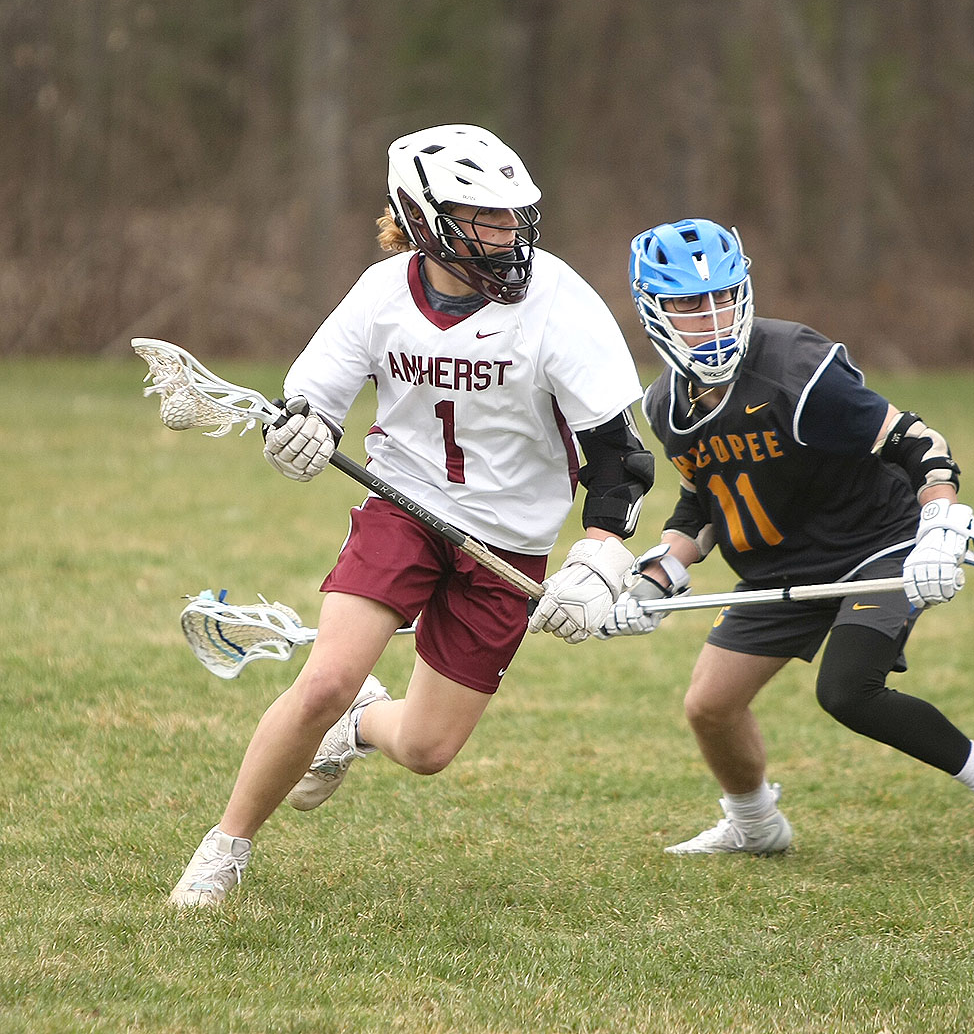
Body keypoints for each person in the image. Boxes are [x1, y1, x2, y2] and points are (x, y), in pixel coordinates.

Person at [169, 124, 653, 907]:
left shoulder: (559, 301)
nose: (506, 235)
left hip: (511, 540)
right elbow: (312, 402)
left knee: (427, 749)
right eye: (482, 218)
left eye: (513, 217)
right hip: (405, 505)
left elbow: (621, 459)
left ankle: (358, 727)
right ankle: (225, 848)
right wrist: (302, 433)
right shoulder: (381, 293)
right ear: (423, 219)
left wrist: (598, 556)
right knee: (325, 677)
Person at [598, 216, 974, 875]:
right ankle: (755, 823)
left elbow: (915, 441)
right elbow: (704, 499)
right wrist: (656, 576)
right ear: (652, 312)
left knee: (848, 688)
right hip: (781, 566)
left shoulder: (795, 366)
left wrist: (940, 523)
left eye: (723, 298)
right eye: (687, 305)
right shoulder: (664, 407)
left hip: (876, 542)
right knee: (709, 706)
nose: (712, 319)